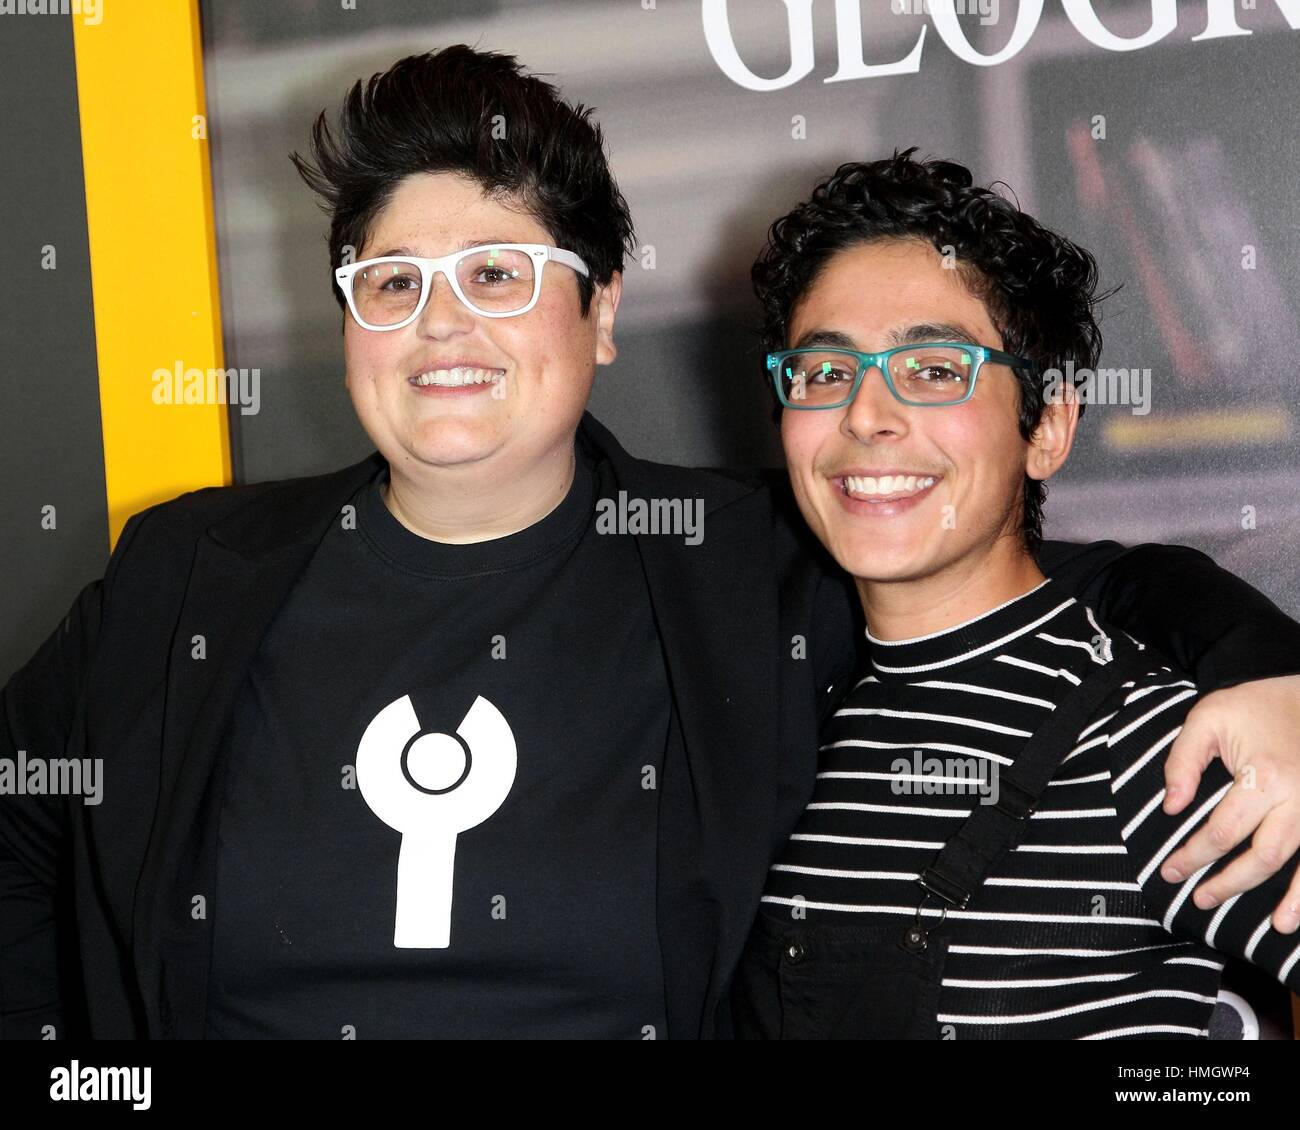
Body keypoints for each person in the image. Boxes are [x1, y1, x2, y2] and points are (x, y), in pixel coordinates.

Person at [2, 49, 1299, 1041]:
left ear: (601, 309)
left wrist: (1263, 660)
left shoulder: (747, 565)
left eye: (499, 275)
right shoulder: (186, 576)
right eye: (393, 282)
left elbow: (1035, 569)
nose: (441, 328)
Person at [732, 151, 1300, 1039]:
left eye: (932, 369)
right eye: (824, 371)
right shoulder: (792, 721)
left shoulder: (1147, 740)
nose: (865, 416)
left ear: (1048, 428)